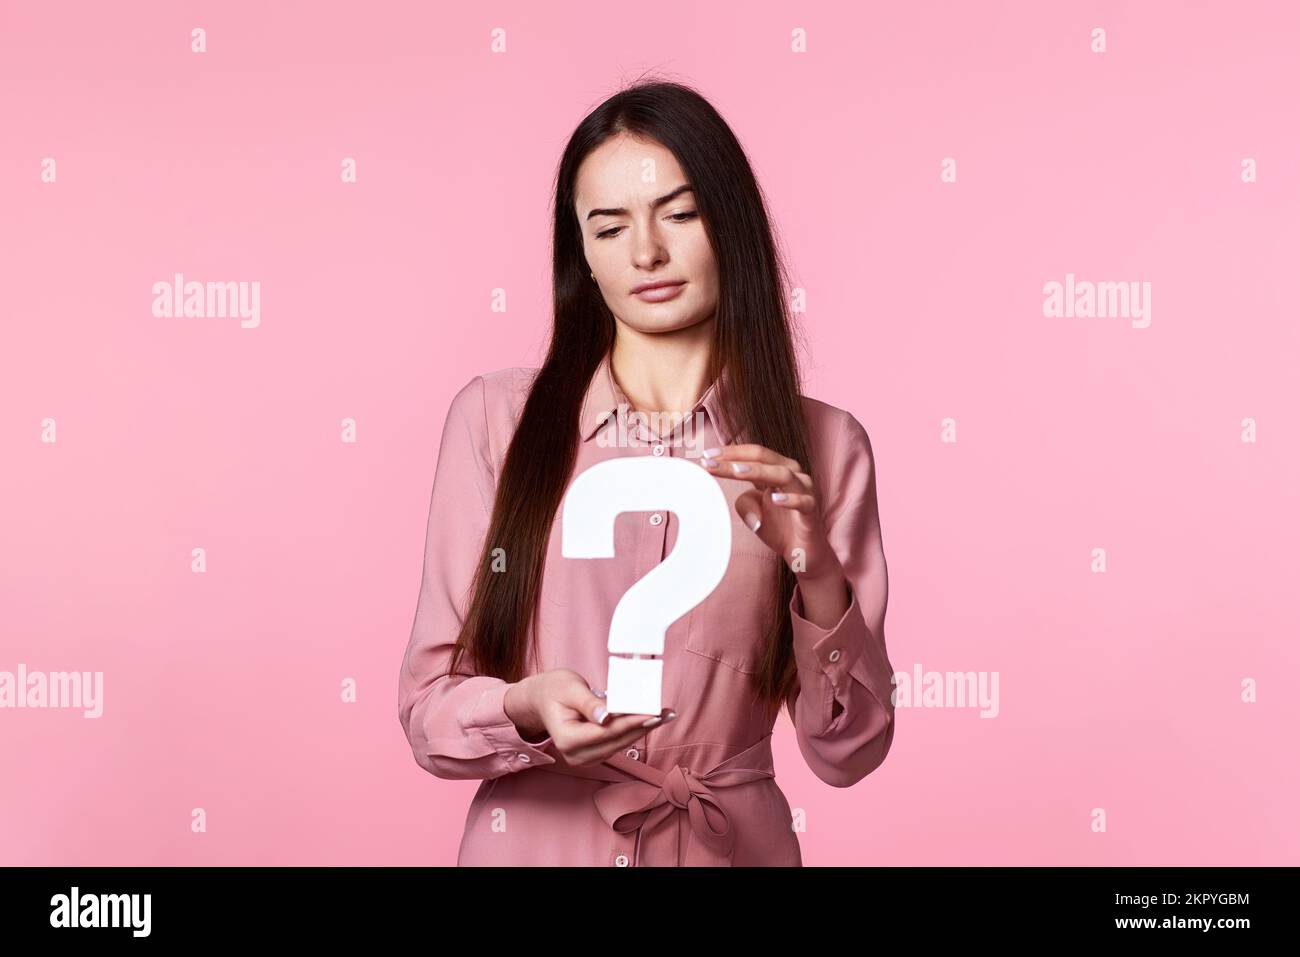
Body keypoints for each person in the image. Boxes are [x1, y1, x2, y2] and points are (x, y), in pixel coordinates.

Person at [397, 79, 896, 866]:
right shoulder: (496, 421)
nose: (646, 253)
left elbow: (850, 750)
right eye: (609, 226)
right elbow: (429, 712)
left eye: (681, 213)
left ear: (731, 225)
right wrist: (522, 707)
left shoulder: (826, 446)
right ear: (582, 256)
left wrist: (818, 570)